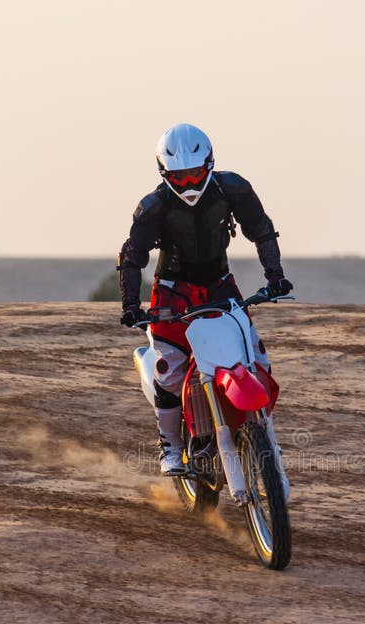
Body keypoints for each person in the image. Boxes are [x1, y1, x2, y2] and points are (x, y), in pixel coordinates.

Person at [118, 122, 293, 488]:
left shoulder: (233, 189)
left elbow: (261, 230)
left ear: (209, 165)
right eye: (179, 177)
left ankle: (257, 429)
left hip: (220, 285)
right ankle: (170, 444)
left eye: (195, 174)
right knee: (169, 369)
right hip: (172, 292)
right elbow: (132, 256)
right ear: (165, 174)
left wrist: (275, 276)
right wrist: (131, 304)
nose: (188, 183)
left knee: (256, 358)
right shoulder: (153, 207)